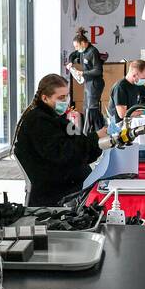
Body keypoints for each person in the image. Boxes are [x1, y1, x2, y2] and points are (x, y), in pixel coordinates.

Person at [14, 73, 112, 207]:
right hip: (55, 188)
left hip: (69, 178)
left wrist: (97, 143)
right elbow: (64, 153)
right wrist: (95, 138)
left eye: (67, 96)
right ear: (45, 98)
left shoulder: (56, 118)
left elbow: (78, 143)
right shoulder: (38, 121)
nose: (66, 101)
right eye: (61, 97)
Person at [66, 28, 106, 135]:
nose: (76, 49)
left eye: (77, 46)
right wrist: (70, 62)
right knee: (86, 107)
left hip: (95, 83)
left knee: (91, 108)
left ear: (83, 43)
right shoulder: (82, 51)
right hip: (87, 83)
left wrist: (83, 73)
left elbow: (98, 70)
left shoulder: (92, 52)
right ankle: (97, 130)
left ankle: (88, 132)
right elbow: (73, 54)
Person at [110, 59, 145, 130]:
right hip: (119, 125)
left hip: (131, 120)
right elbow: (122, 114)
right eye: (143, 78)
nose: (144, 80)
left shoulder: (137, 85)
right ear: (134, 75)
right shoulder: (120, 87)